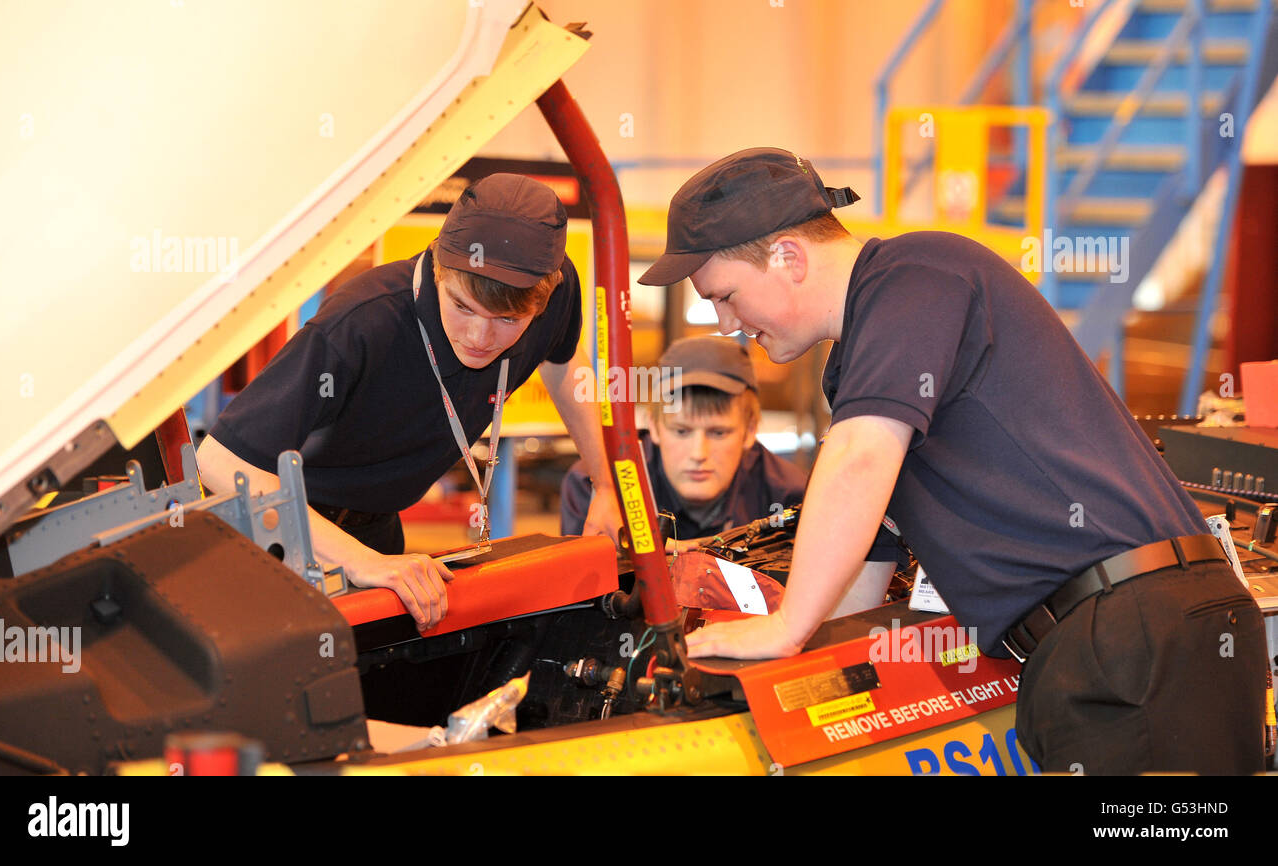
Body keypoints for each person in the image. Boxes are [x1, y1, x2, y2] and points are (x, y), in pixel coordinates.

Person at [638, 147, 1267, 774]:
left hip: (1136, 639)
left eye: (725, 296)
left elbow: (858, 459)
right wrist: (798, 661)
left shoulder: (916, 275)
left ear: (788, 257)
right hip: (1098, 649)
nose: (725, 323)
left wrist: (784, 628)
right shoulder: (867, 358)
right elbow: (869, 556)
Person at [197, 174, 621, 630]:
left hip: (376, 526)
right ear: (438, 268)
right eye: (462, 307)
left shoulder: (553, 290)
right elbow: (218, 460)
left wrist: (605, 484)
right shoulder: (361, 323)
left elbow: (562, 360)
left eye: (507, 319)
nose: (479, 339)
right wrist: (361, 561)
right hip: (283, 530)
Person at [561, 335, 807, 544]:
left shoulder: (789, 499)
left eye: (718, 433)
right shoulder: (595, 485)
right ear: (654, 426)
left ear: (750, 430)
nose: (699, 454)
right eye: (681, 431)